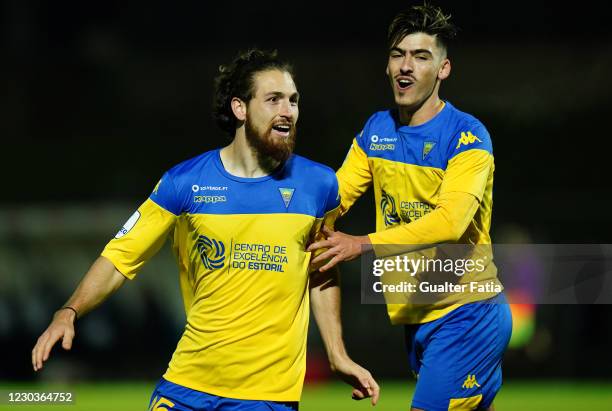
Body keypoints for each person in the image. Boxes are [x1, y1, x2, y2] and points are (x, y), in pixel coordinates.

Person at [31, 49, 379, 410]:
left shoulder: (319, 185)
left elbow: (321, 269)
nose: (287, 111)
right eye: (273, 99)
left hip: (265, 397)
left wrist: (337, 355)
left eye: (293, 101)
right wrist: (69, 311)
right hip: (186, 385)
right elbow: (121, 256)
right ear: (240, 108)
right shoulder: (183, 183)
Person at [308, 4, 512, 411]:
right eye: (398, 54)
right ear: (386, 66)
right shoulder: (376, 131)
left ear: (443, 69)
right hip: (419, 320)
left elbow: (451, 222)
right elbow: (334, 197)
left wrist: (360, 245)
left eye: (421, 57)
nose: (406, 66)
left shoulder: (467, 136)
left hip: (467, 314)